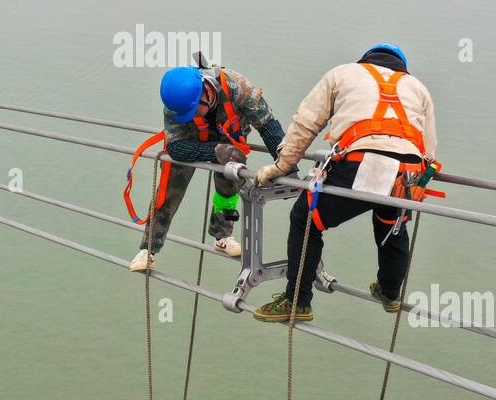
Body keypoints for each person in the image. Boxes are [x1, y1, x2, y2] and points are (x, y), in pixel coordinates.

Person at [251, 43, 437, 322]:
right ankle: (390, 292)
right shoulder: (417, 87)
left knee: (306, 219)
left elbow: (306, 123)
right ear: (401, 65)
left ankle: (297, 301)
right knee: (393, 223)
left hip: (364, 161)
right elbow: (429, 148)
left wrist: (283, 165)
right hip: (407, 171)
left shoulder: (343, 74)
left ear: (365, 60)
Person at [126, 63, 286, 273]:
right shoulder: (176, 102)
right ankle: (148, 249)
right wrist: (214, 151)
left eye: (193, 111)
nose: (191, 116)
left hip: (228, 137)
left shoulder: (238, 88)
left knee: (229, 188)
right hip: (190, 141)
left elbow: (268, 125)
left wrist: (286, 165)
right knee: (169, 192)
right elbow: (176, 146)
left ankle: (223, 236)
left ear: (206, 94)